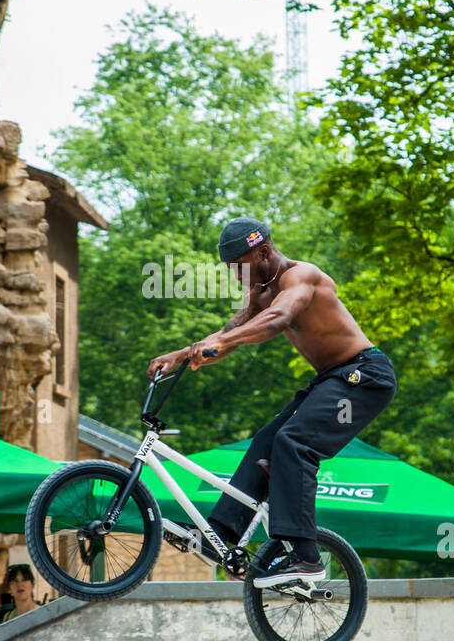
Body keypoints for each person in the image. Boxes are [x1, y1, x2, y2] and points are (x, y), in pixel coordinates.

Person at [147, 217, 397, 589]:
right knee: (266, 441)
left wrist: (226, 344)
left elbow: (277, 320)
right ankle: (219, 536)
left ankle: (305, 557)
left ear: (263, 251)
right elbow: (229, 332)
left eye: (239, 267)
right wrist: (183, 354)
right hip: (331, 380)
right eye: (229, 269)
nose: (235, 277)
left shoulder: (302, 277)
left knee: (293, 442)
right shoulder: (259, 293)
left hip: (365, 376)